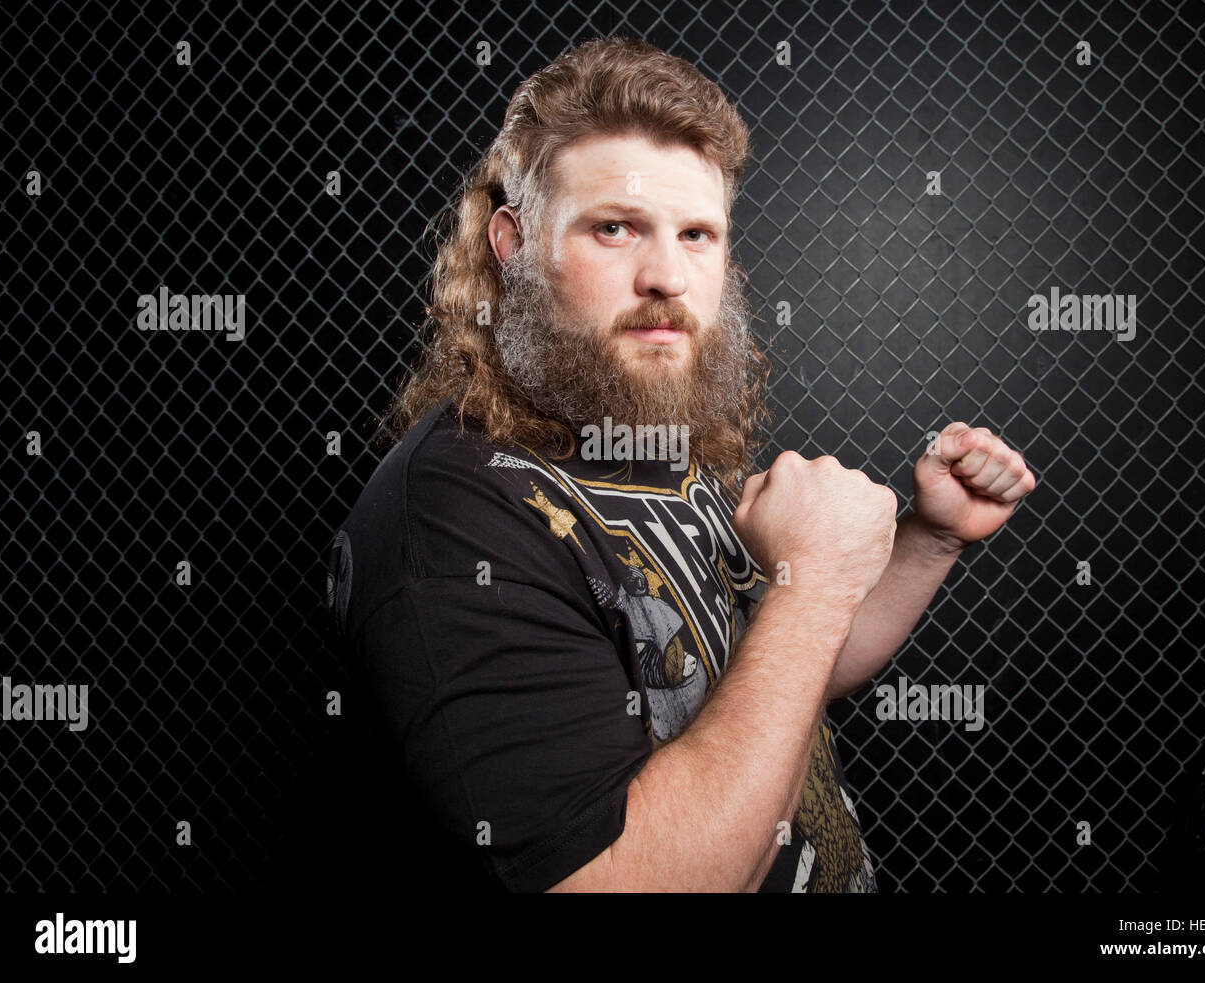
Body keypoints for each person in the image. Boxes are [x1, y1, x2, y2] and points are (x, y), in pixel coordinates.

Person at [324, 35, 1036, 892]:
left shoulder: (643, 425)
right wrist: (809, 578)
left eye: (697, 233)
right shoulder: (452, 523)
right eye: (615, 228)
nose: (667, 275)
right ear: (512, 242)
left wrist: (930, 540)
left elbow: (774, 669)